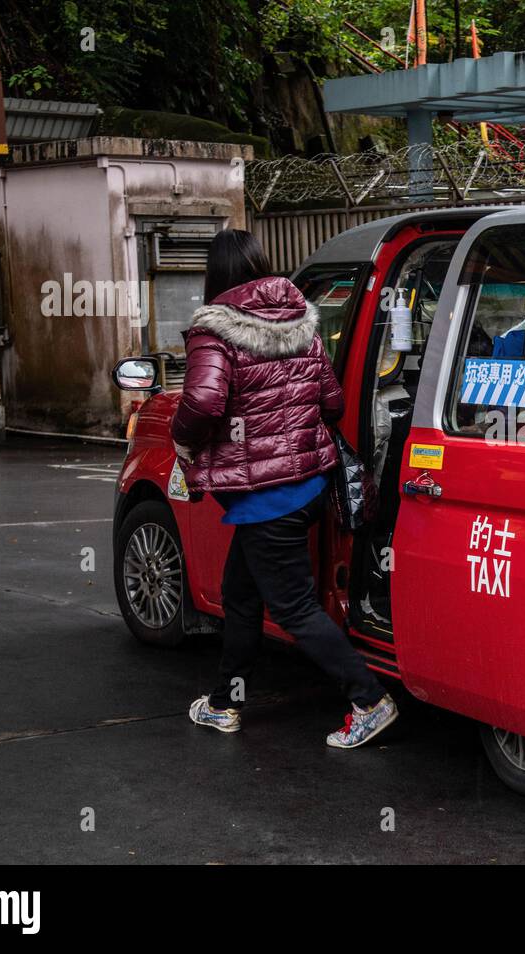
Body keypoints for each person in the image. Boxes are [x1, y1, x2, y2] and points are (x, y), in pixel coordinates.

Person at [172, 228, 397, 749]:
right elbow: (333, 404)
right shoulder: (301, 322)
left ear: (216, 275)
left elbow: (204, 403)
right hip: (306, 486)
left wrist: (184, 442)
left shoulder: (215, 331)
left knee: (294, 607)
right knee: (242, 596)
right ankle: (225, 704)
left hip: (264, 496)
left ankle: (369, 699)